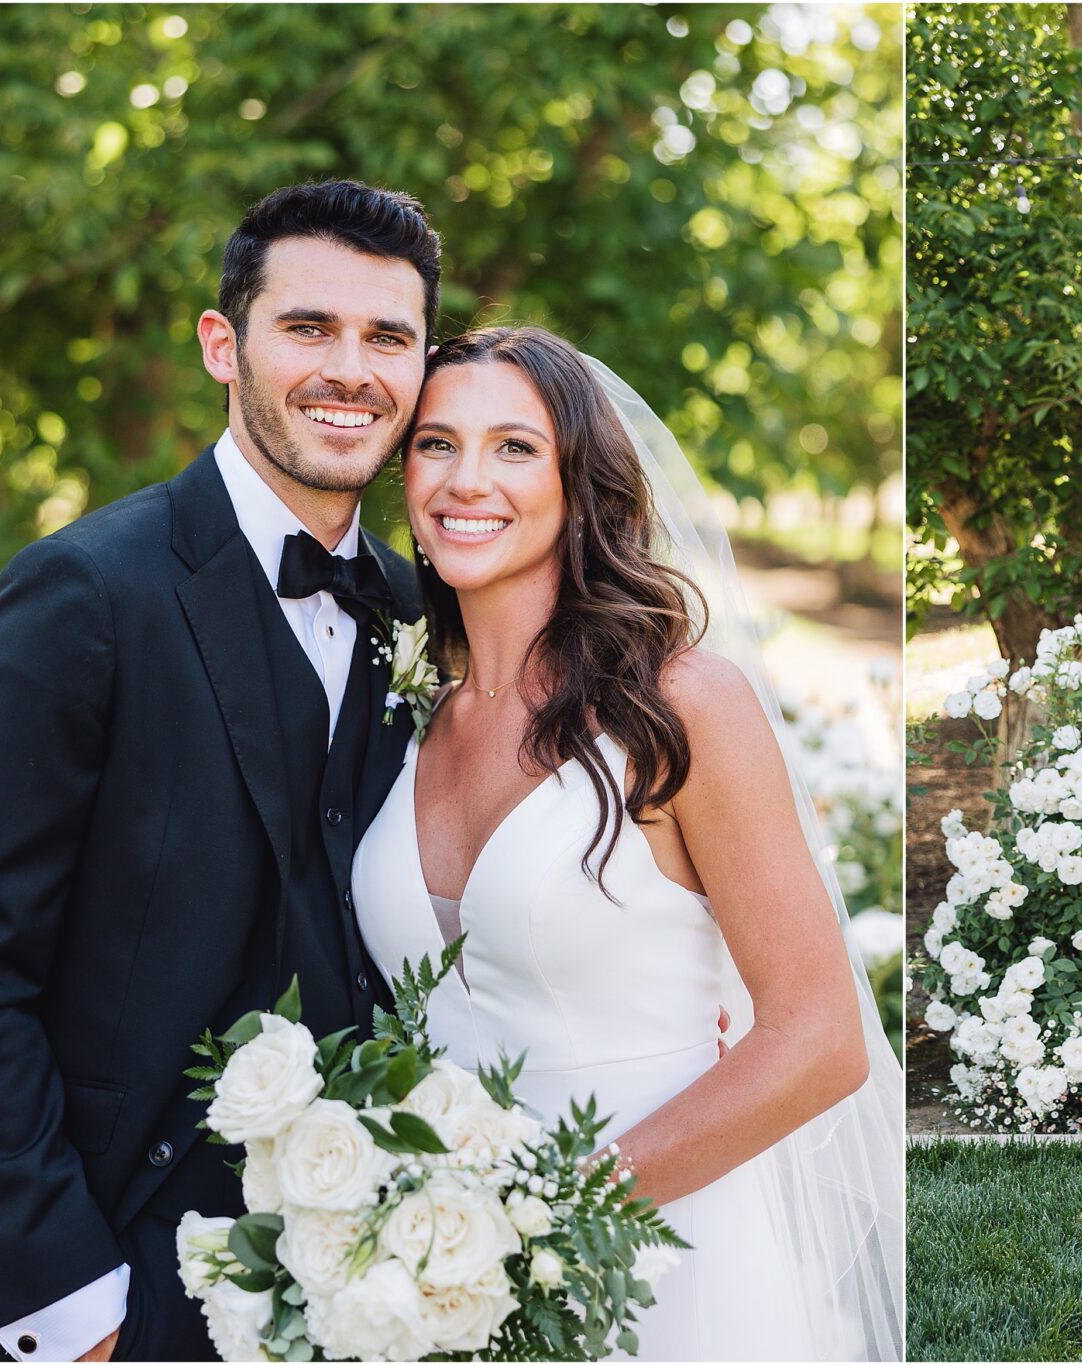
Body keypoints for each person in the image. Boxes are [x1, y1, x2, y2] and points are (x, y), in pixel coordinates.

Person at [0, 181, 437, 1361]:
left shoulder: (419, 613)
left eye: (387, 337)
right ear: (221, 344)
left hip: (352, 1283)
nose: (351, 369)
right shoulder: (82, 593)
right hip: (103, 1275)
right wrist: (72, 1308)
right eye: (309, 327)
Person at [349, 324, 904, 1360]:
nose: (467, 479)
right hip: (434, 1281)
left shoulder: (679, 704)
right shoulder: (410, 714)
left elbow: (820, 1041)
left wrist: (541, 1224)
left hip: (657, 1263)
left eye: (515, 447)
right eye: (435, 444)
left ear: (580, 485)